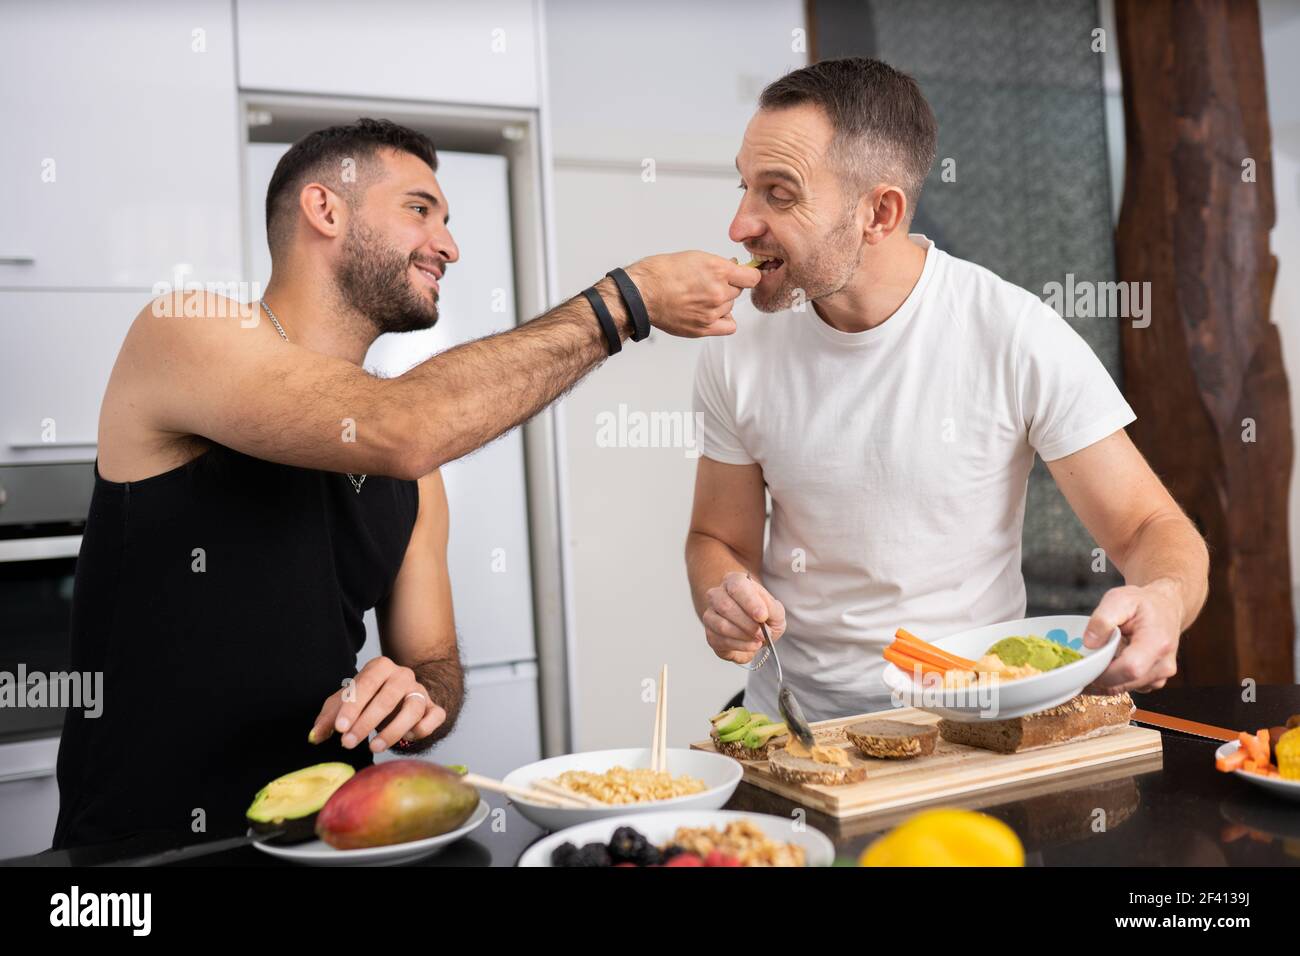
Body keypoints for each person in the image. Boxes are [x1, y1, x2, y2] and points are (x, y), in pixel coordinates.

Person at [53, 118, 759, 847]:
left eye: (447, 221)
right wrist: (625, 300)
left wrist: (418, 694)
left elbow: (435, 665)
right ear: (326, 210)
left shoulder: (414, 477)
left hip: (334, 843)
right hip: (142, 852)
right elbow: (405, 423)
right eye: (420, 209)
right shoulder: (183, 331)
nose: (449, 245)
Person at [685, 58, 1209, 722]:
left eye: (778, 193)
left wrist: (1163, 598)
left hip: (969, 727)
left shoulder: (1014, 334)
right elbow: (716, 536)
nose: (740, 225)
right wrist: (724, 590)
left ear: (880, 211)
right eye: (746, 187)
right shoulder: (738, 349)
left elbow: (1149, 527)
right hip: (798, 730)